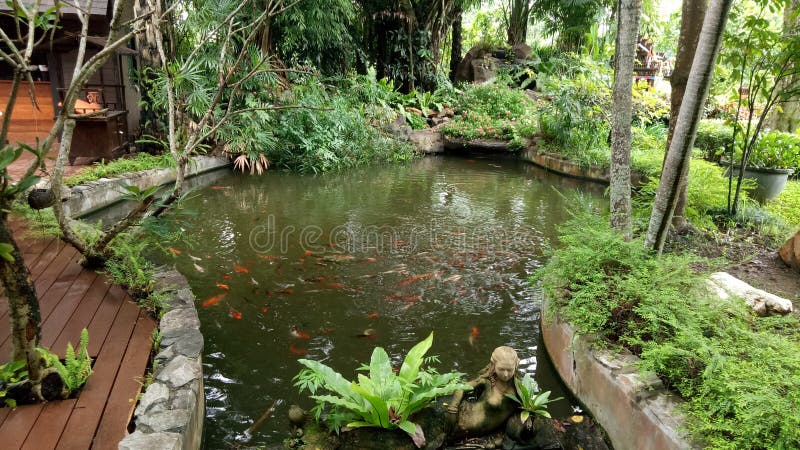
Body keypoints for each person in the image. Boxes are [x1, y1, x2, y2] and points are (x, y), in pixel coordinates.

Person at [446, 346, 520, 439]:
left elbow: (525, 410)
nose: (505, 374)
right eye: (501, 369)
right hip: (460, 422)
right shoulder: (487, 381)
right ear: (493, 365)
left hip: (482, 432)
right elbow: (461, 388)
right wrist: (453, 408)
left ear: (516, 365)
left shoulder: (519, 390)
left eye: (510, 370)